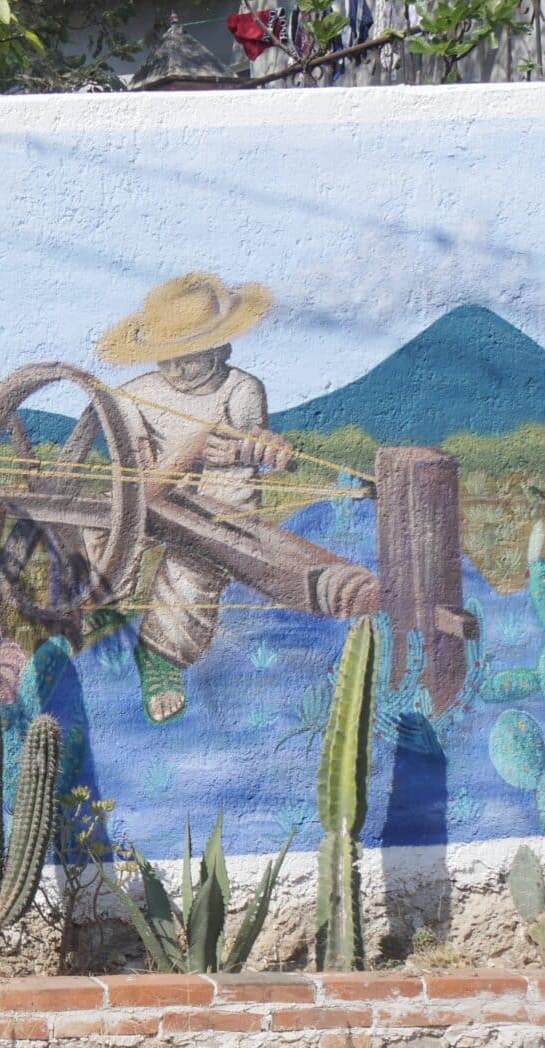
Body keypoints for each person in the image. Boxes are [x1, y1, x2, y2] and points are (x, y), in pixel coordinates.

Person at [94, 272, 371, 724]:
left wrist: (259, 449)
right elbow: (139, 487)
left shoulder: (241, 390)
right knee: (101, 530)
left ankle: (160, 658)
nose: (177, 370)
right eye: (167, 358)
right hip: (148, 493)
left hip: (218, 503)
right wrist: (194, 448)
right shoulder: (133, 397)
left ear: (221, 348)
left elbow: (245, 460)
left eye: (189, 357)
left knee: (199, 562)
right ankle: (102, 606)